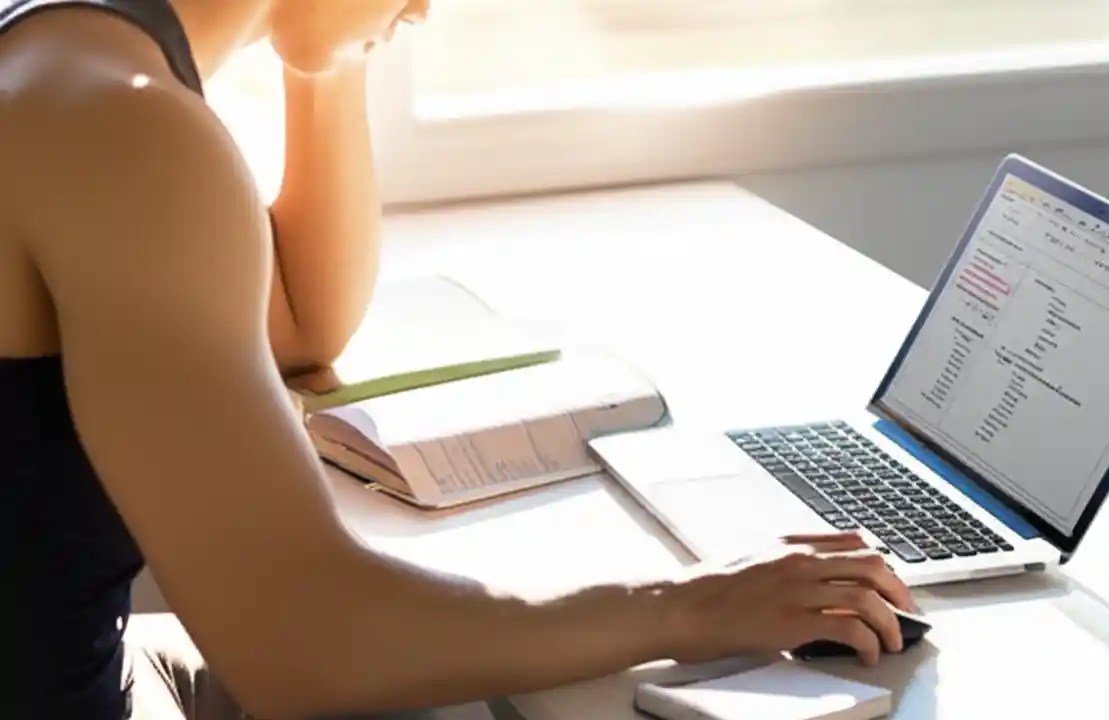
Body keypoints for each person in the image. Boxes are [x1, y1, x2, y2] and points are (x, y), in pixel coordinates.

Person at [0, 1, 921, 717]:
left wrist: (324, 51)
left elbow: (299, 323)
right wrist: (689, 605)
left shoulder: (70, 56)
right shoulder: (122, 130)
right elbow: (304, 643)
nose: (427, 13)